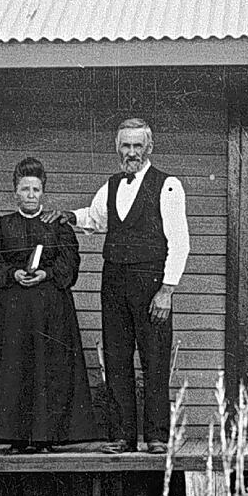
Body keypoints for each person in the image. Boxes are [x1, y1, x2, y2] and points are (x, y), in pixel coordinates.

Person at [45, 118, 189, 453]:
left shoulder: (168, 186)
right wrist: (69, 215)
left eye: (138, 146)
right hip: (114, 283)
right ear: (117, 148)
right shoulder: (110, 186)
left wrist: (167, 290)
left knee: (154, 359)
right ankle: (123, 435)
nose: (132, 152)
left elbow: (180, 242)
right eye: (126, 146)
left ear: (149, 147)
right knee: (117, 358)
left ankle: (155, 436)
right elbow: (94, 218)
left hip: (152, 284)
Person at [0, 157, 104, 453]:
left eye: (36, 189)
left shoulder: (57, 225)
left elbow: (70, 263)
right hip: (13, 312)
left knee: (49, 370)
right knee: (15, 369)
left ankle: (48, 437)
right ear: (15, 192)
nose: (31, 195)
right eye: (25, 189)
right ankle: (17, 437)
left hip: (51, 313)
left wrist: (46, 273)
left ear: (43, 192)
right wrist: (12, 273)